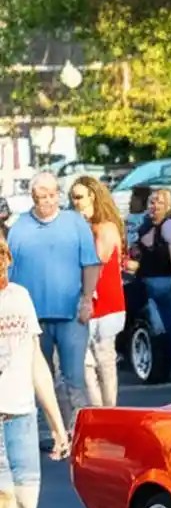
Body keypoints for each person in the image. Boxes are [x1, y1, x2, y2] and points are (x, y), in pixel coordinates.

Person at [0, 238, 71, 508]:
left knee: (25, 506)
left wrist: (57, 424)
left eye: (4, 257)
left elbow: (36, 362)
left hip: (22, 416)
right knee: (3, 503)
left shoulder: (20, 298)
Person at [5, 172, 101, 433]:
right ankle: (50, 431)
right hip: (32, 320)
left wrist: (86, 300)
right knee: (37, 379)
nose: (47, 201)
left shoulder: (75, 223)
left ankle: (80, 432)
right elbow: (8, 270)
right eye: (40, 196)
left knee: (74, 379)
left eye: (51, 195)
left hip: (71, 314)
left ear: (58, 194)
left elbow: (91, 263)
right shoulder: (20, 227)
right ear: (32, 197)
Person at [69, 176, 126, 408]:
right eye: (72, 197)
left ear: (92, 196)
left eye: (79, 197)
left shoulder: (105, 227)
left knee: (105, 359)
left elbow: (97, 260)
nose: (75, 202)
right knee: (85, 363)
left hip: (106, 301)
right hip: (85, 301)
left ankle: (110, 410)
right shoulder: (77, 226)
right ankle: (99, 409)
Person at [131, 188, 171, 378]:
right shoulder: (145, 225)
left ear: (167, 206)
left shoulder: (169, 225)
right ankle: (166, 364)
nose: (154, 206)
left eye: (159, 202)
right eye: (152, 202)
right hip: (147, 281)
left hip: (166, 280)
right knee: (157, 326)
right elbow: (137, 249)